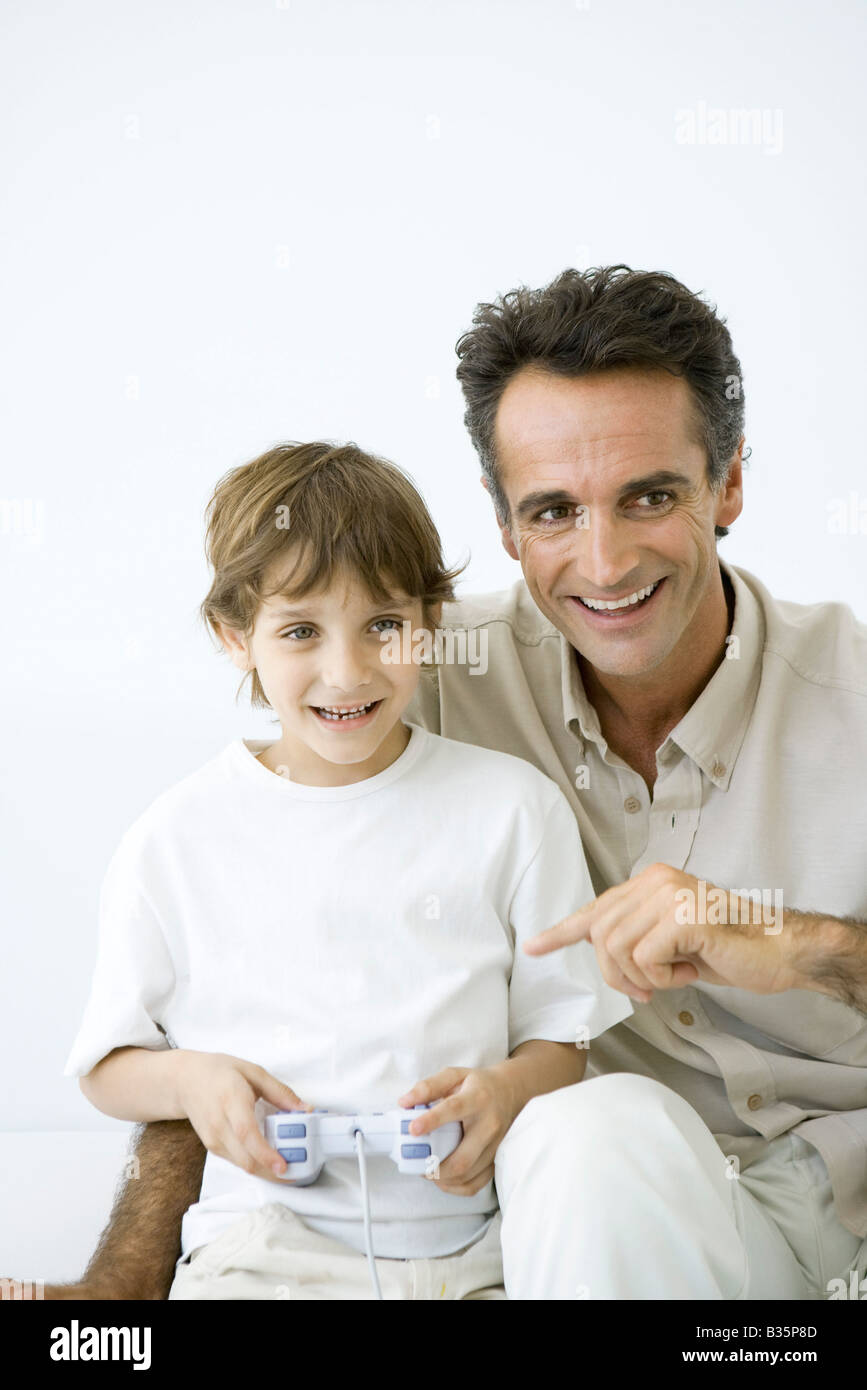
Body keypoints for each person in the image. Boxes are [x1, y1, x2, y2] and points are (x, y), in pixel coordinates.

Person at [7, 265, 866, 1301]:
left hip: (843, 1200)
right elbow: (245, 978)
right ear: (505, 528)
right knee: (588, 1123)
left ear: (728, 484)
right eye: (553, 510)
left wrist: (802, 943)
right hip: (603, 1213)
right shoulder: (398, 678)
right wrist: (124, 1283)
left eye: (649, 495)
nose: (602, 561)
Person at [57, 439, 632, 1301]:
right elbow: (107, 1066)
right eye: (299, 631)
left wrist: (504, 1088)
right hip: (260, 1249)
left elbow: (562, 1039)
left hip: (476, 1251)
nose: (346, 670)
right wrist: (190, 1079)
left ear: (430, 624)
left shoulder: (512, 810)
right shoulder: (176, 837)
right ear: (233, 637)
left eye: (383, 626)